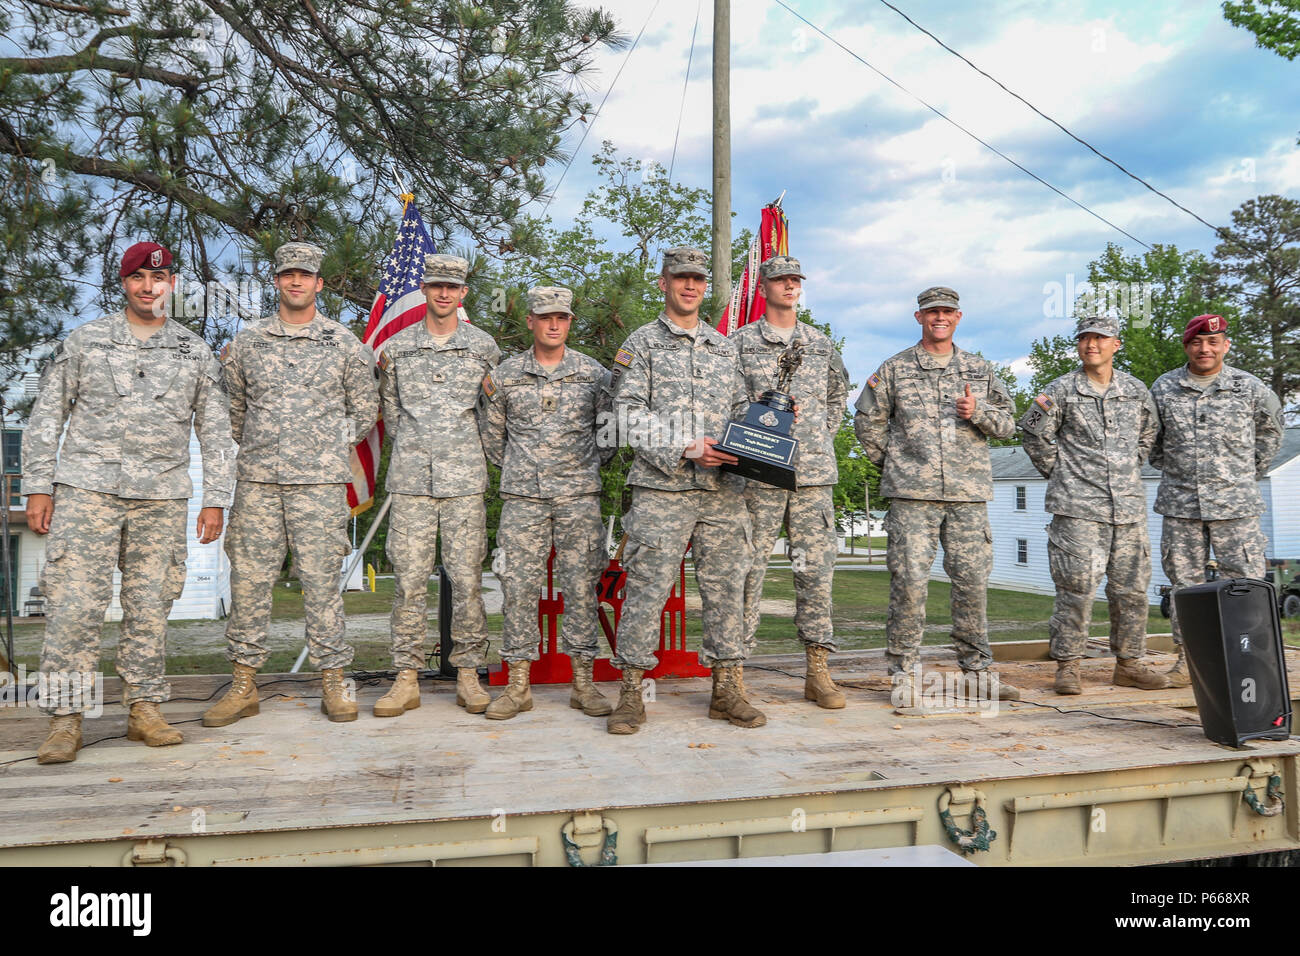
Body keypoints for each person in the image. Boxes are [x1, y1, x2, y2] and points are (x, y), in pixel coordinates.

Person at [24, 241, 234, 763]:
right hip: (86, 492)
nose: (148, 286)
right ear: (124, 283)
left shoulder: (193, 351)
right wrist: (38, 486)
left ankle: (144, 708)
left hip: (161, 497)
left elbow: (215, 430)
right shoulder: (85, 342)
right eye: (138, 277)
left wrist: (216, 500)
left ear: (173, 285)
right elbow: (47, 415)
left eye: (158, 278)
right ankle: (66, 719)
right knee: (74, 607)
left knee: (150, 608)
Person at [203, 241, 377, 726]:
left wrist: (321, 445)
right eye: (287, 275)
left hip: (320, 486)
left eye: (305, 275)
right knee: (250, 583)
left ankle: (332, 681)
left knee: (323, 585)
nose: (296, 282)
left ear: (319, 283)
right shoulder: (247, 343)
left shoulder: (345, 345)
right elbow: (232, 410)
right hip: (258, 483)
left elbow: (364, 409)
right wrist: (264, 445)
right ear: (276, 281)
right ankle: (243, 685)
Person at [606, 246, 762, 734]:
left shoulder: (725, 347)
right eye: (680, 278)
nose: (690, 286)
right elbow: (626, 412)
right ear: (664, 283)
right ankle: (632, 692)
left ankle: (727, 690)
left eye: (697, 279)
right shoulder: (642, 343)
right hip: (662, 489)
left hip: (722, 491)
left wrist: (755, 439)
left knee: (726, 592)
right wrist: (683, 447)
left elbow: (742, 410)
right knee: (646, 591)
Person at [854, 286, 1021, 704]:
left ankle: (977, 673)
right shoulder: (894, 369)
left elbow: (1008, 425)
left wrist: (977, 412)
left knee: (972, 585)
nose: (939, 318)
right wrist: (897, 466)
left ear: (958, 317)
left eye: (946, 311)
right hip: (913, 497)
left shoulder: (979, 370)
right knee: (909, 584)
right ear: (919, 318)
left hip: (967, 496)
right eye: (931, 312)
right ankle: (904, 676)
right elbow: (866, 422)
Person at [371, 254, 501, 717]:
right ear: (424, 291)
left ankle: (468, 673)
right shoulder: (397, 350)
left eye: (453, 287)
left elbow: (491, 418)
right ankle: (405, 677)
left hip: (464, 480)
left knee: (466, 581)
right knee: (407, 582)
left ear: (463, 294)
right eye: (436, 286)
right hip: (410, 483)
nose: (444, 294)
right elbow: (391, 414)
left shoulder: (484, 349)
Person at [477, 286, 615, 720]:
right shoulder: (505, 376)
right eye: (545, 317)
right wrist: (525, 472)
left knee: (581, 588)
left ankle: (583, 683)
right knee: (518, 588)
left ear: (569, 322)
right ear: (531, 322)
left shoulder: (595, 376)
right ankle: (518, 685)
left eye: (562, 317)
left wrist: (579, 470)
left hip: (579, 499)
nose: (554, 325)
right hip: (523, 500)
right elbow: (492, 440)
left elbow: (608, 437)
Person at [1019, 315, 1169, 694]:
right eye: (1085, 338)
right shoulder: (1059, 389)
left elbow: (1149, 432)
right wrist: (1060, 472)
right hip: (1077, 510)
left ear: (1116, 344)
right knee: (1076, 589)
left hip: (1129, 510)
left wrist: (1130, 463)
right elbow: (1032, 430)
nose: (1091, 345)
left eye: (1100, 338)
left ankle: (1130, 663)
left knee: (1132, 592)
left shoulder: (1136, 391)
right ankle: (1068, 666)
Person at [731, 255, 849, 708]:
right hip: (757, 474)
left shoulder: (820, 344)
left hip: (812, 476)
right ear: (764, 288)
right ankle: (734, 673)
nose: (789, 286)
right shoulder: (740, 342)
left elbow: (837, 396)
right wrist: (754, 419)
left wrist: (816, 435)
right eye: (780, 279)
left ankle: (817, 670)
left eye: (795, 280)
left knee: (815, 572)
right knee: (746, 572)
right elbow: (726, 398)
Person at [1149, 313, 1284, 687]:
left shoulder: (1250, 387)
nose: (1204, 348)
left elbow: (1270, 434)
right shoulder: (1164, 388)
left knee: (1244, 583)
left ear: (1225, 344)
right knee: (1185, 587)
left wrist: (1239, 474)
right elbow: (1153, 445)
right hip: (1181, 506)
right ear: (1187, 346)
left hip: (1236, 507)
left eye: (1213, 341)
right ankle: (1187, 662)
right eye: (1196, 342)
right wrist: (1179, 471)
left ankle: (1248, 660)